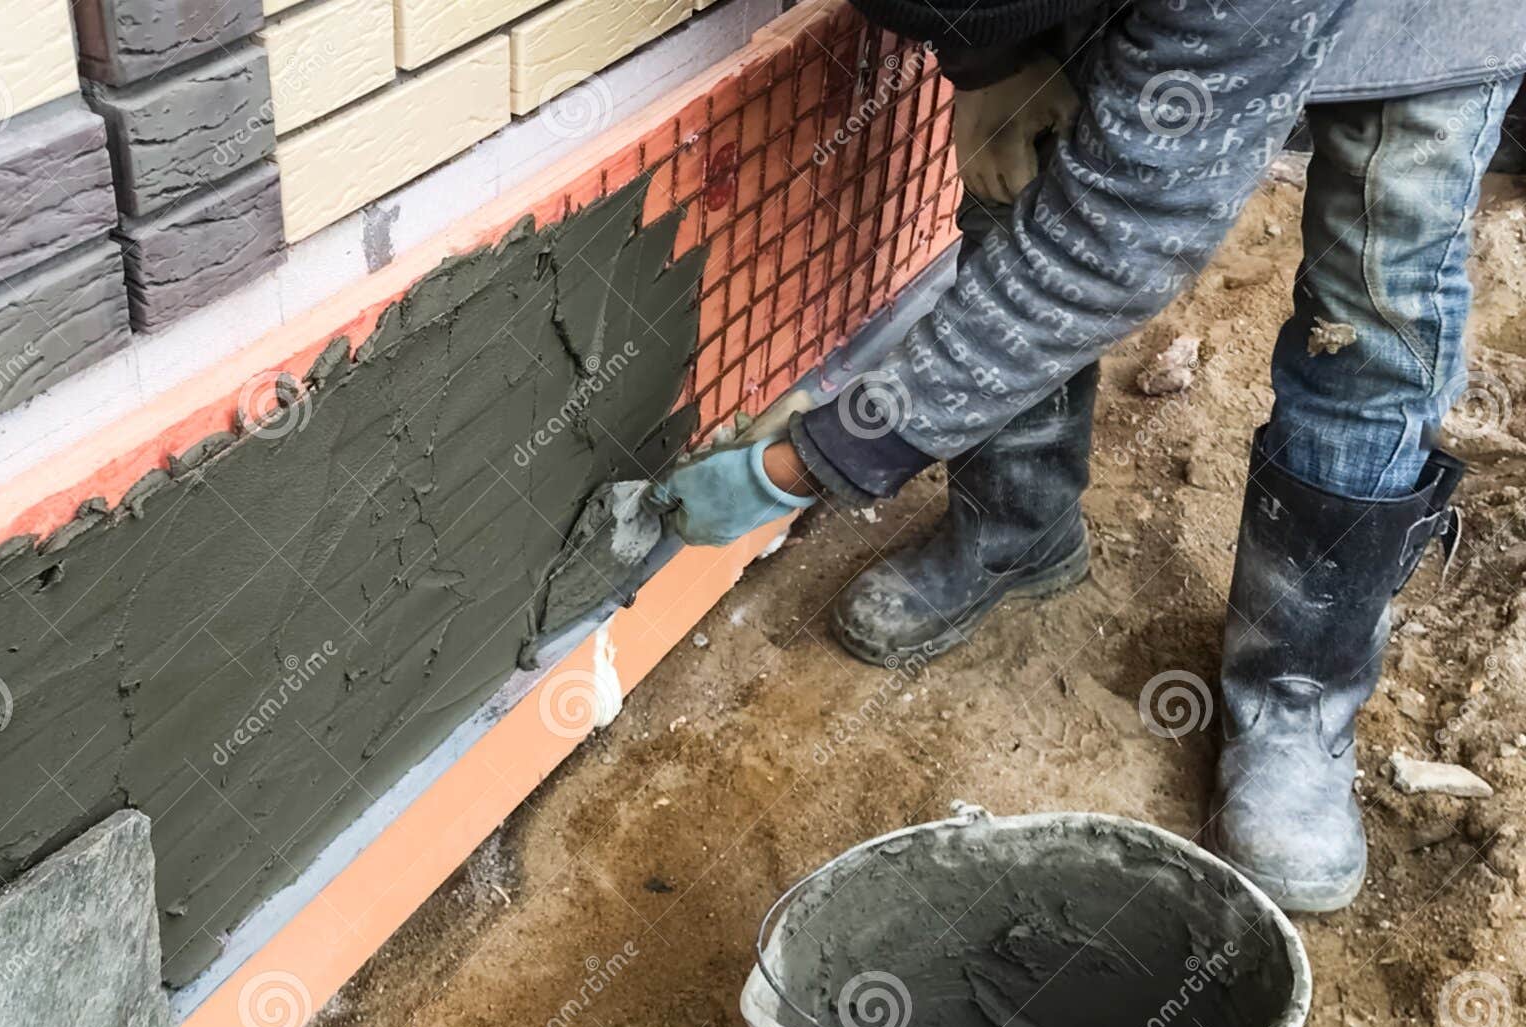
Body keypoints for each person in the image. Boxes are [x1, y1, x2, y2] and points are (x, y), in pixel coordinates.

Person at [653, 0, 1526, 913]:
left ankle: (1295, 691)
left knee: (1370, 309)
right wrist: (988, 63)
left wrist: (815, 459)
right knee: (1025, 165)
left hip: (1431, 20)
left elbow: (1117, 237)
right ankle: (1015, 528)